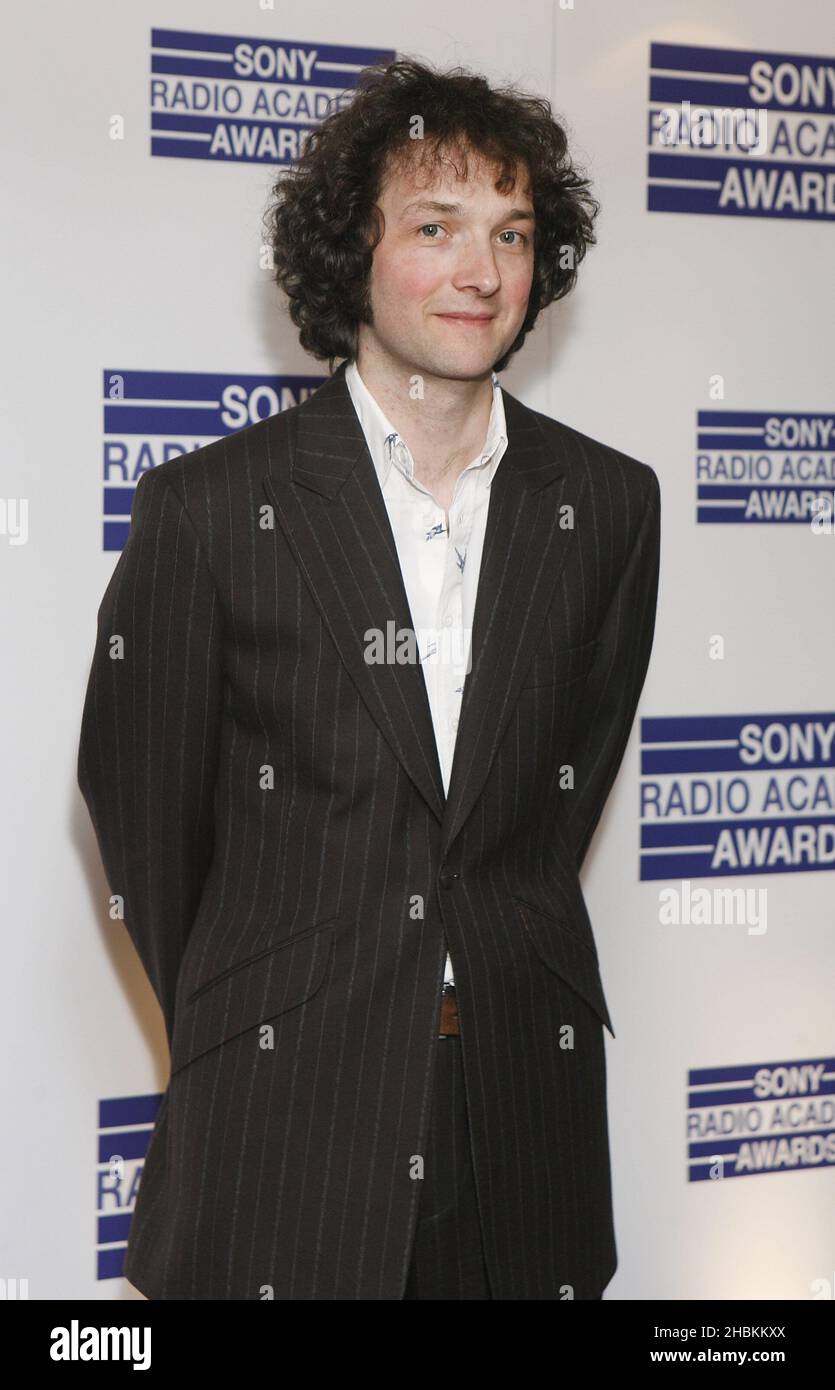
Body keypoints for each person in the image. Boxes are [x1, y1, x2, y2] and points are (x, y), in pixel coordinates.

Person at [77, 57, 661, 1300]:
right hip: (286, 1101)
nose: (481, 272)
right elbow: (143, 817)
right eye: (434, 227)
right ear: (355, 252)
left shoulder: (608, 505)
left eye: (513, 232)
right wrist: (264, 1001)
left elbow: (557, 803)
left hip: (518, 1108)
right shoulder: (215, 508)